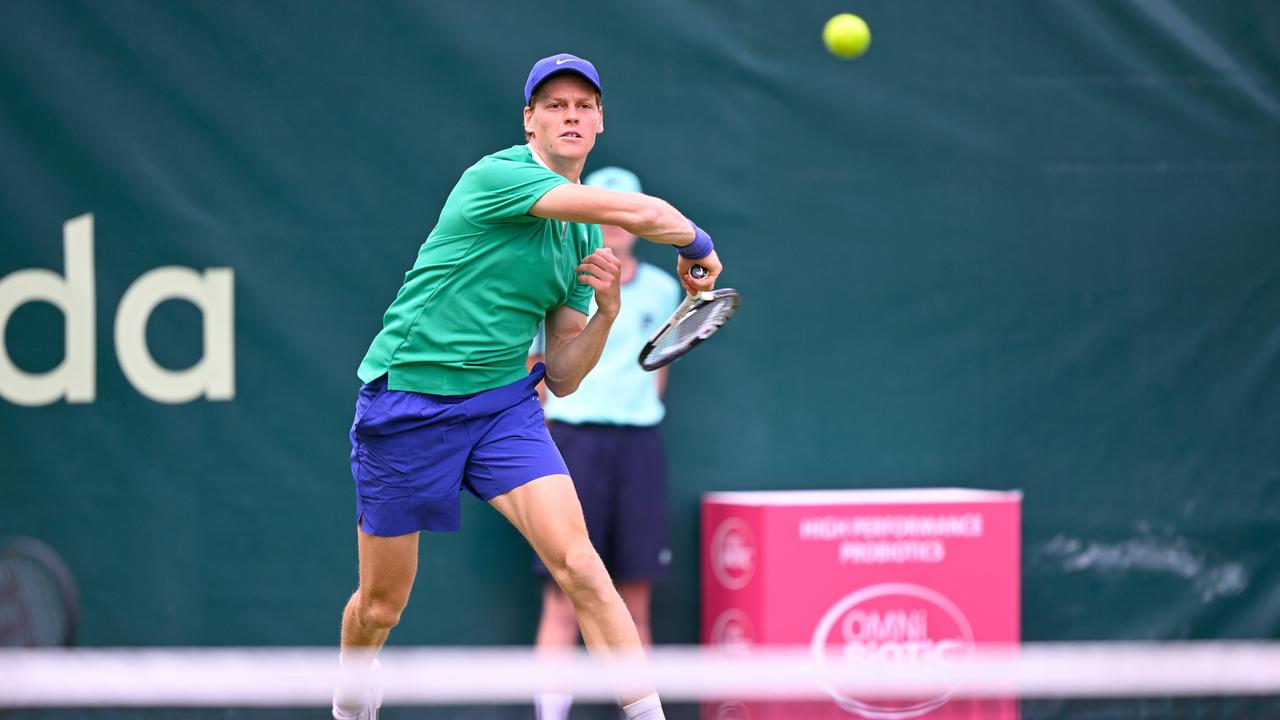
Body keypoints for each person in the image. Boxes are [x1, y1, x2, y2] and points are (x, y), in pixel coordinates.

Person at [333, 53, 722, 720]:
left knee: (581, 565)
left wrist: (606, 313)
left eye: (582, 106)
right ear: (530, 121)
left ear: (599, 121)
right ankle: (348, 697)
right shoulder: (499, 177)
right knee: (380, 606)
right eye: (554, 105)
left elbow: (564, 377)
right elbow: (647, 213)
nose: (570, 115)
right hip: (408, 403)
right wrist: (698, 245)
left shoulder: (578, 242)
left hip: (501, 410)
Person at [527, 166, 682, 720]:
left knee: (635, 602)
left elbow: (656, 373)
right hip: (571, 446)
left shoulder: (664, 290)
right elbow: (539, 370)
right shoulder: (561, 284)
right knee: (563, 598)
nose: (613, 225)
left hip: (638, 449)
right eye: (602, 211)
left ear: (637, 222)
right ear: (585, 218)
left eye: (624, 212)